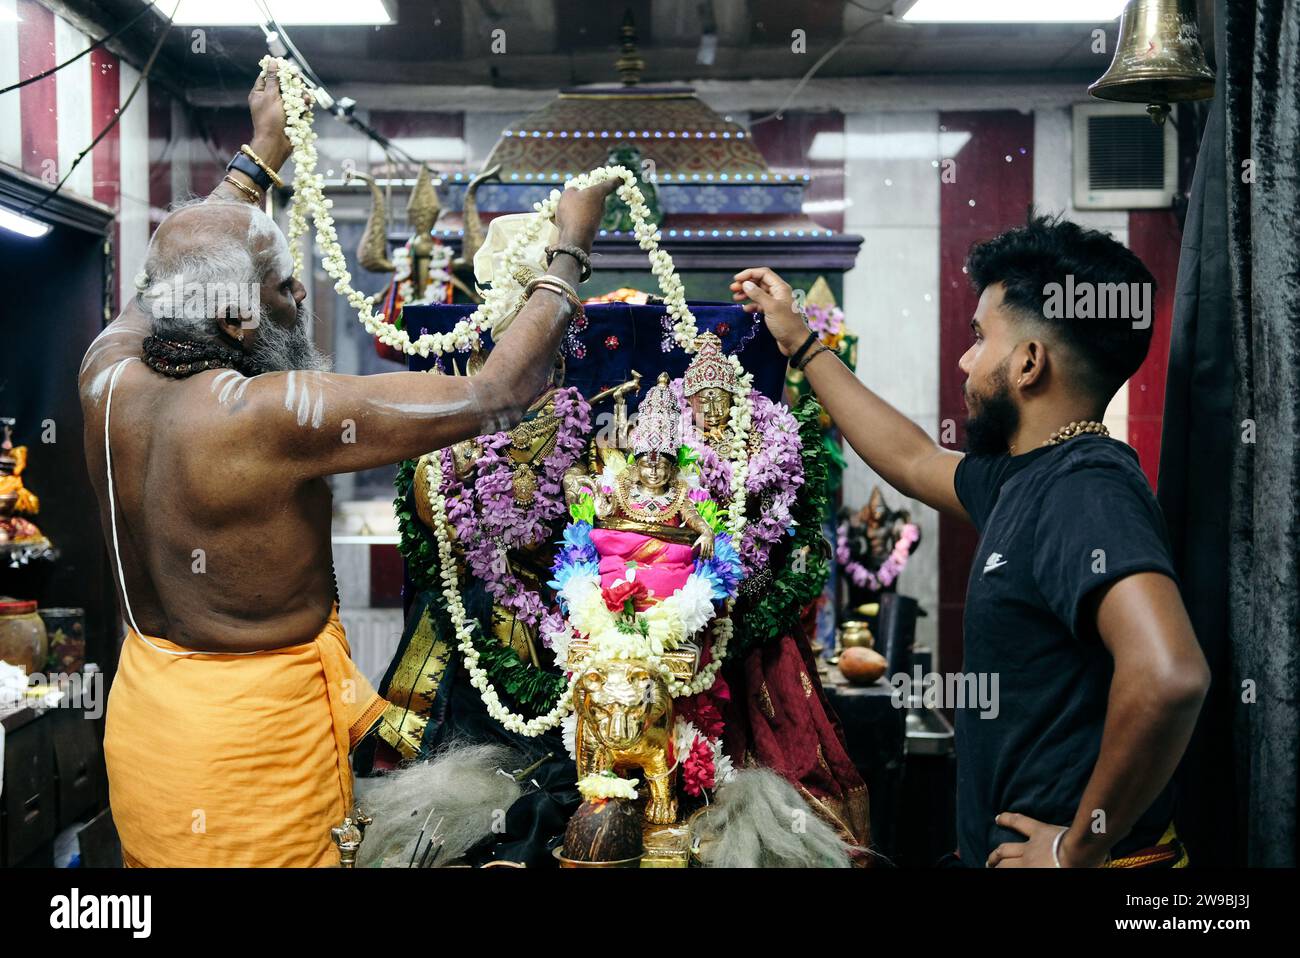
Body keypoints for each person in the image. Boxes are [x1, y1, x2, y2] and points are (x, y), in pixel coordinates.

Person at [78, 65, 617, 867]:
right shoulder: (266, 418)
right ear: (235, 316)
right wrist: (570, 244)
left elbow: (176, 269)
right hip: (252, 762)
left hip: (151, 733)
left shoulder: (104, 373)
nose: (299, 290)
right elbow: (501, 390)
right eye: (281, 282)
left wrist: (260, 156)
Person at [732, 217, 1210, 868]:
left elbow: (1170, 674)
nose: (965, 357)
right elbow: (913, 458)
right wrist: (804, 346)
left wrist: (1077, 849)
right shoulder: (1028, 476)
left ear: (1029, 362)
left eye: (980, 337)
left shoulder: (1085, 489)